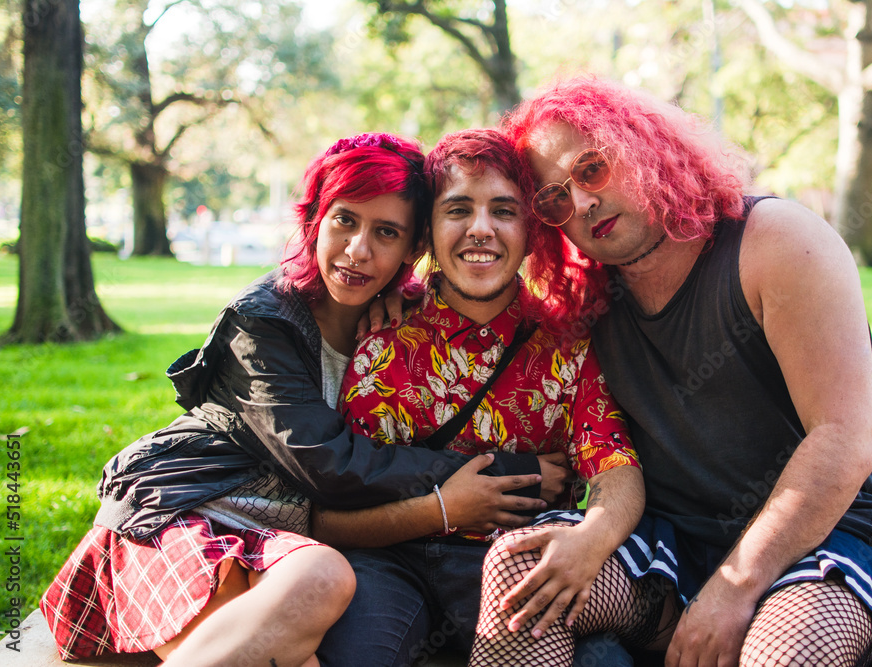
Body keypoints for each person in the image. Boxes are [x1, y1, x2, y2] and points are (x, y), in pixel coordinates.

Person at [466, 76, 872, 667]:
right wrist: (368, 300)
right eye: (555, 199)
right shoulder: (585, 301)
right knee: (522, 569)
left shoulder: (776, 241)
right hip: (672, 546)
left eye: (591, 170)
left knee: (783, 655)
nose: (582, 203)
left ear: (641, 148)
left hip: (823, 544)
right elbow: (463, 304)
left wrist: (733, 589)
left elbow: (845, 440)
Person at [39, 132, 551, 667]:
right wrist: (502, 472)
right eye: (345, 220)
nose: (358, 251)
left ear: (413, 247)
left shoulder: (395, 317)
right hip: (180, 516)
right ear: (315, 220)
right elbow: (329, 465)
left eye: (387, 232)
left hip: (270, 540)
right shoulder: (263, 322)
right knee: (324, 577)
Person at [312, 128, 647, 667]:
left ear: (534, 229)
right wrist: (443, 510)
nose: (481, 230)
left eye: (504, 211)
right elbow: (332, 515)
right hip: (394, 566)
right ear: (428, 230)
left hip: (515, 563)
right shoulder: (383, 339)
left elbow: (615, 468)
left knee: (604, 661)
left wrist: (592, 538)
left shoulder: (566, 346)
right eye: (459, 209)